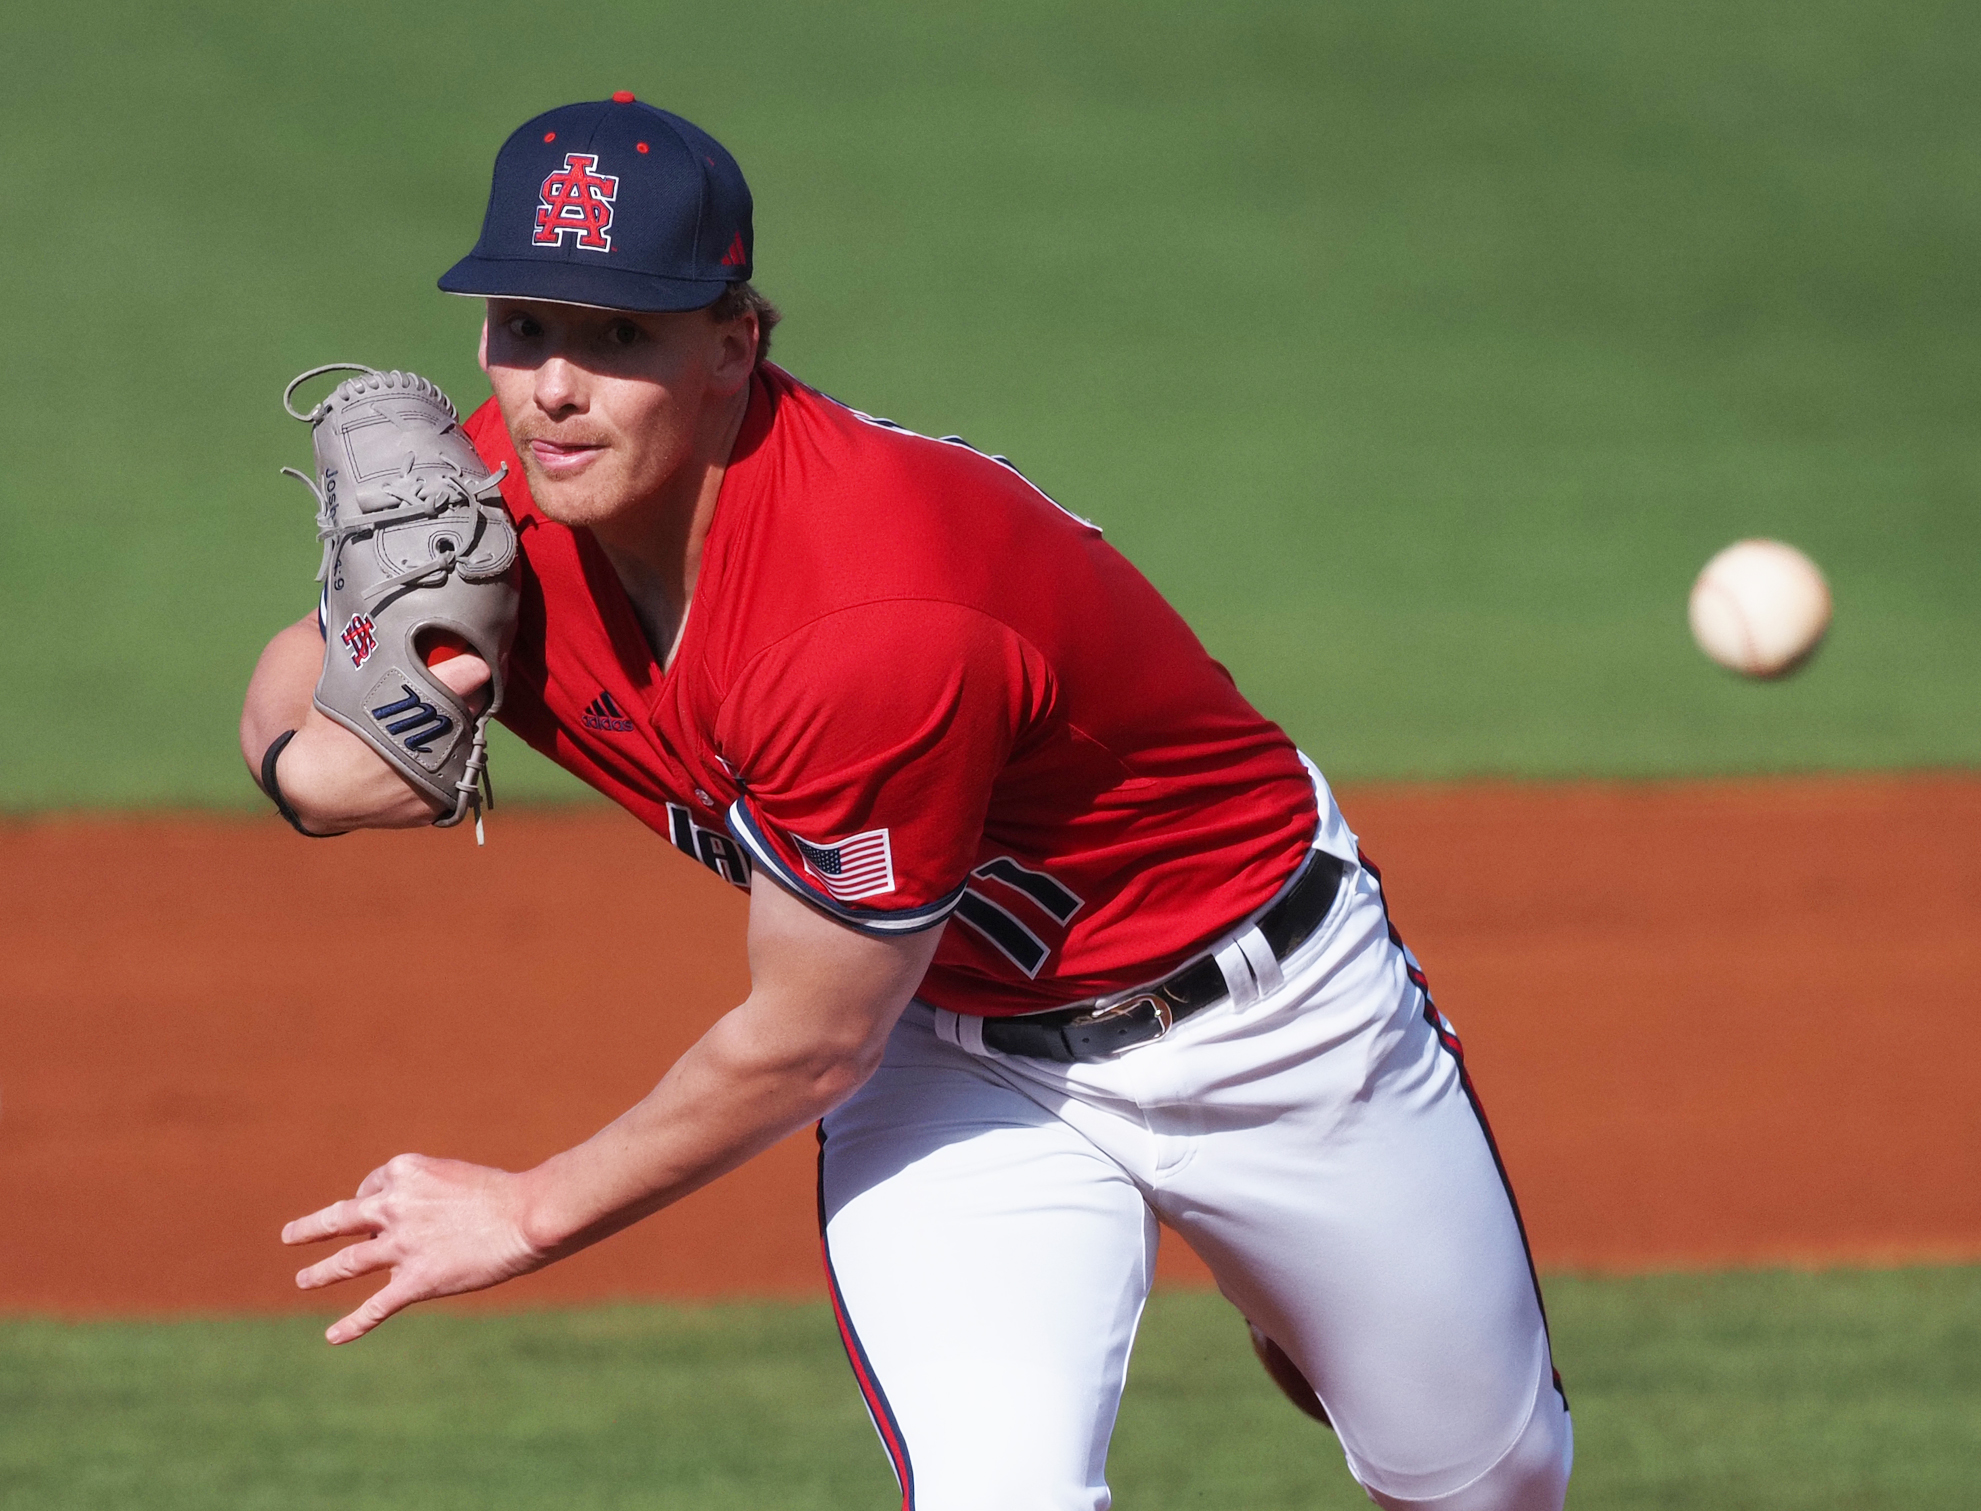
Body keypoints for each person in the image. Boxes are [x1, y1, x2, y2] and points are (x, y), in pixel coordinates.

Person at [240, 94, 1572, 1511]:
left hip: (1270, 1023)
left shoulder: (867, 620)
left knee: (1489, 1484)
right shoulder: (499, 499)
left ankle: (1300, 1286)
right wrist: (316, 761)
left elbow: (805, 1046)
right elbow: (304, 680)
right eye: (524, 326)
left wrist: (524, 1211)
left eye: (619, 335)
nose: (551, 389)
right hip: (960, 1054)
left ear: (732, 347)